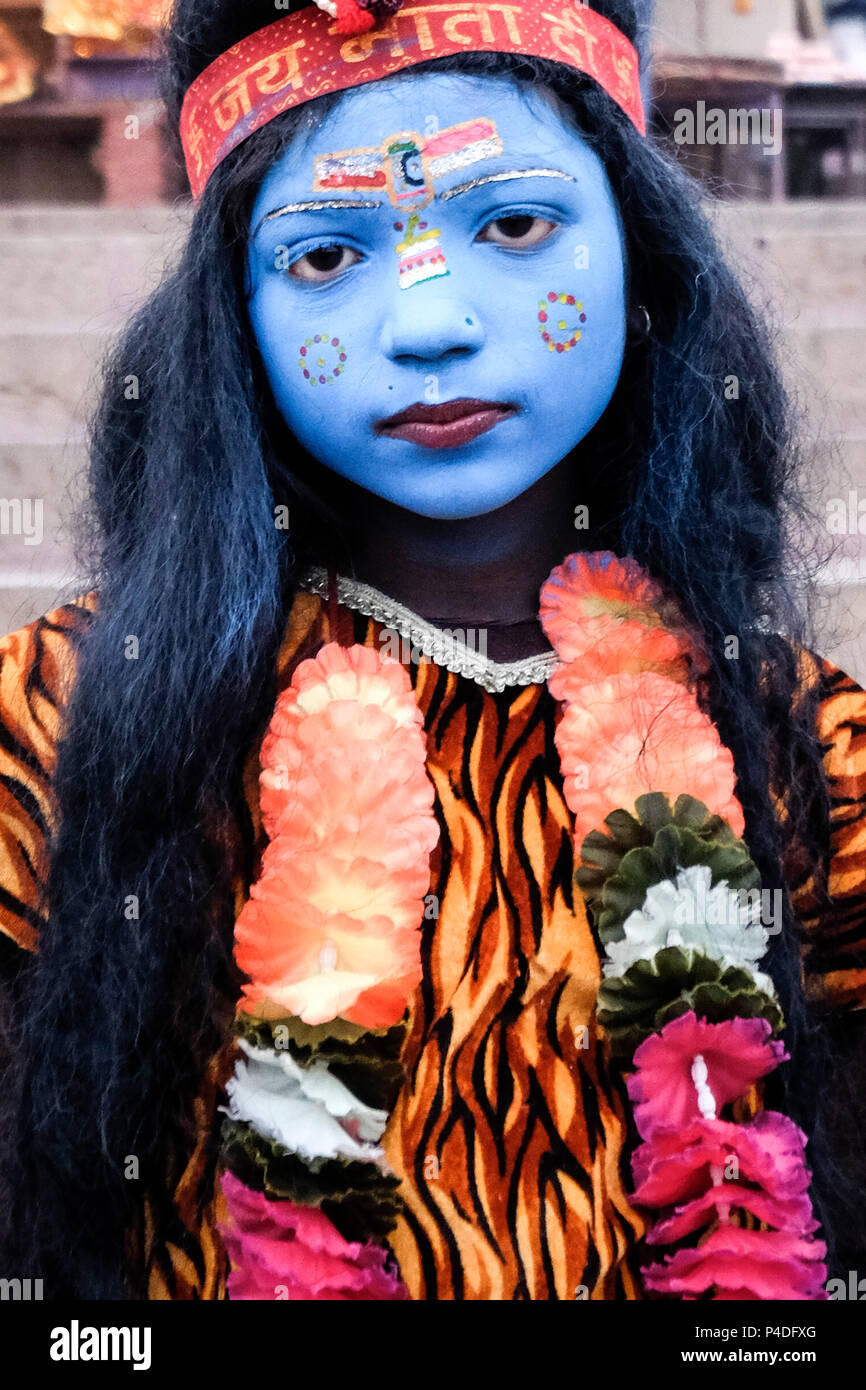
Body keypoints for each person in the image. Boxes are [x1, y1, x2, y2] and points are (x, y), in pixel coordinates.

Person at [0, 0, 864, 1302]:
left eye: (512, 225)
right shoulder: (67, 719)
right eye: (326, 255)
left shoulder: (808, 750)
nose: (430, 324)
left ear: (640, 252)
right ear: (230, 315)